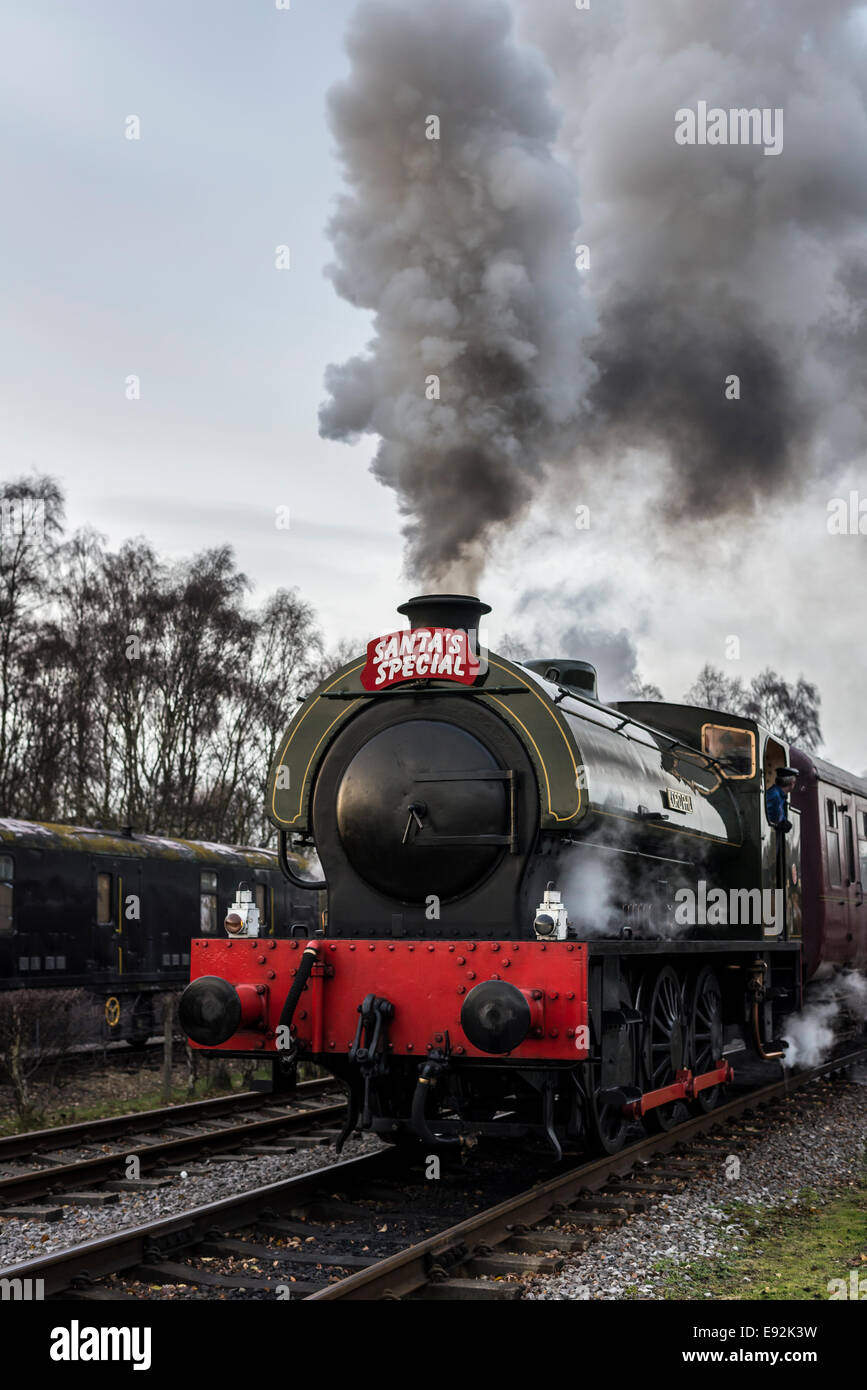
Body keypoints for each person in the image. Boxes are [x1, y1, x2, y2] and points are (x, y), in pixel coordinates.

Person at [765, 766, 797, 832]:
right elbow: (765, 814)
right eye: (794, 782)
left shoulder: (780, 796)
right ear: (791, 783)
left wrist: (783, 821)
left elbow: (778, 813)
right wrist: (778, 824)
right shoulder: (774, 795)